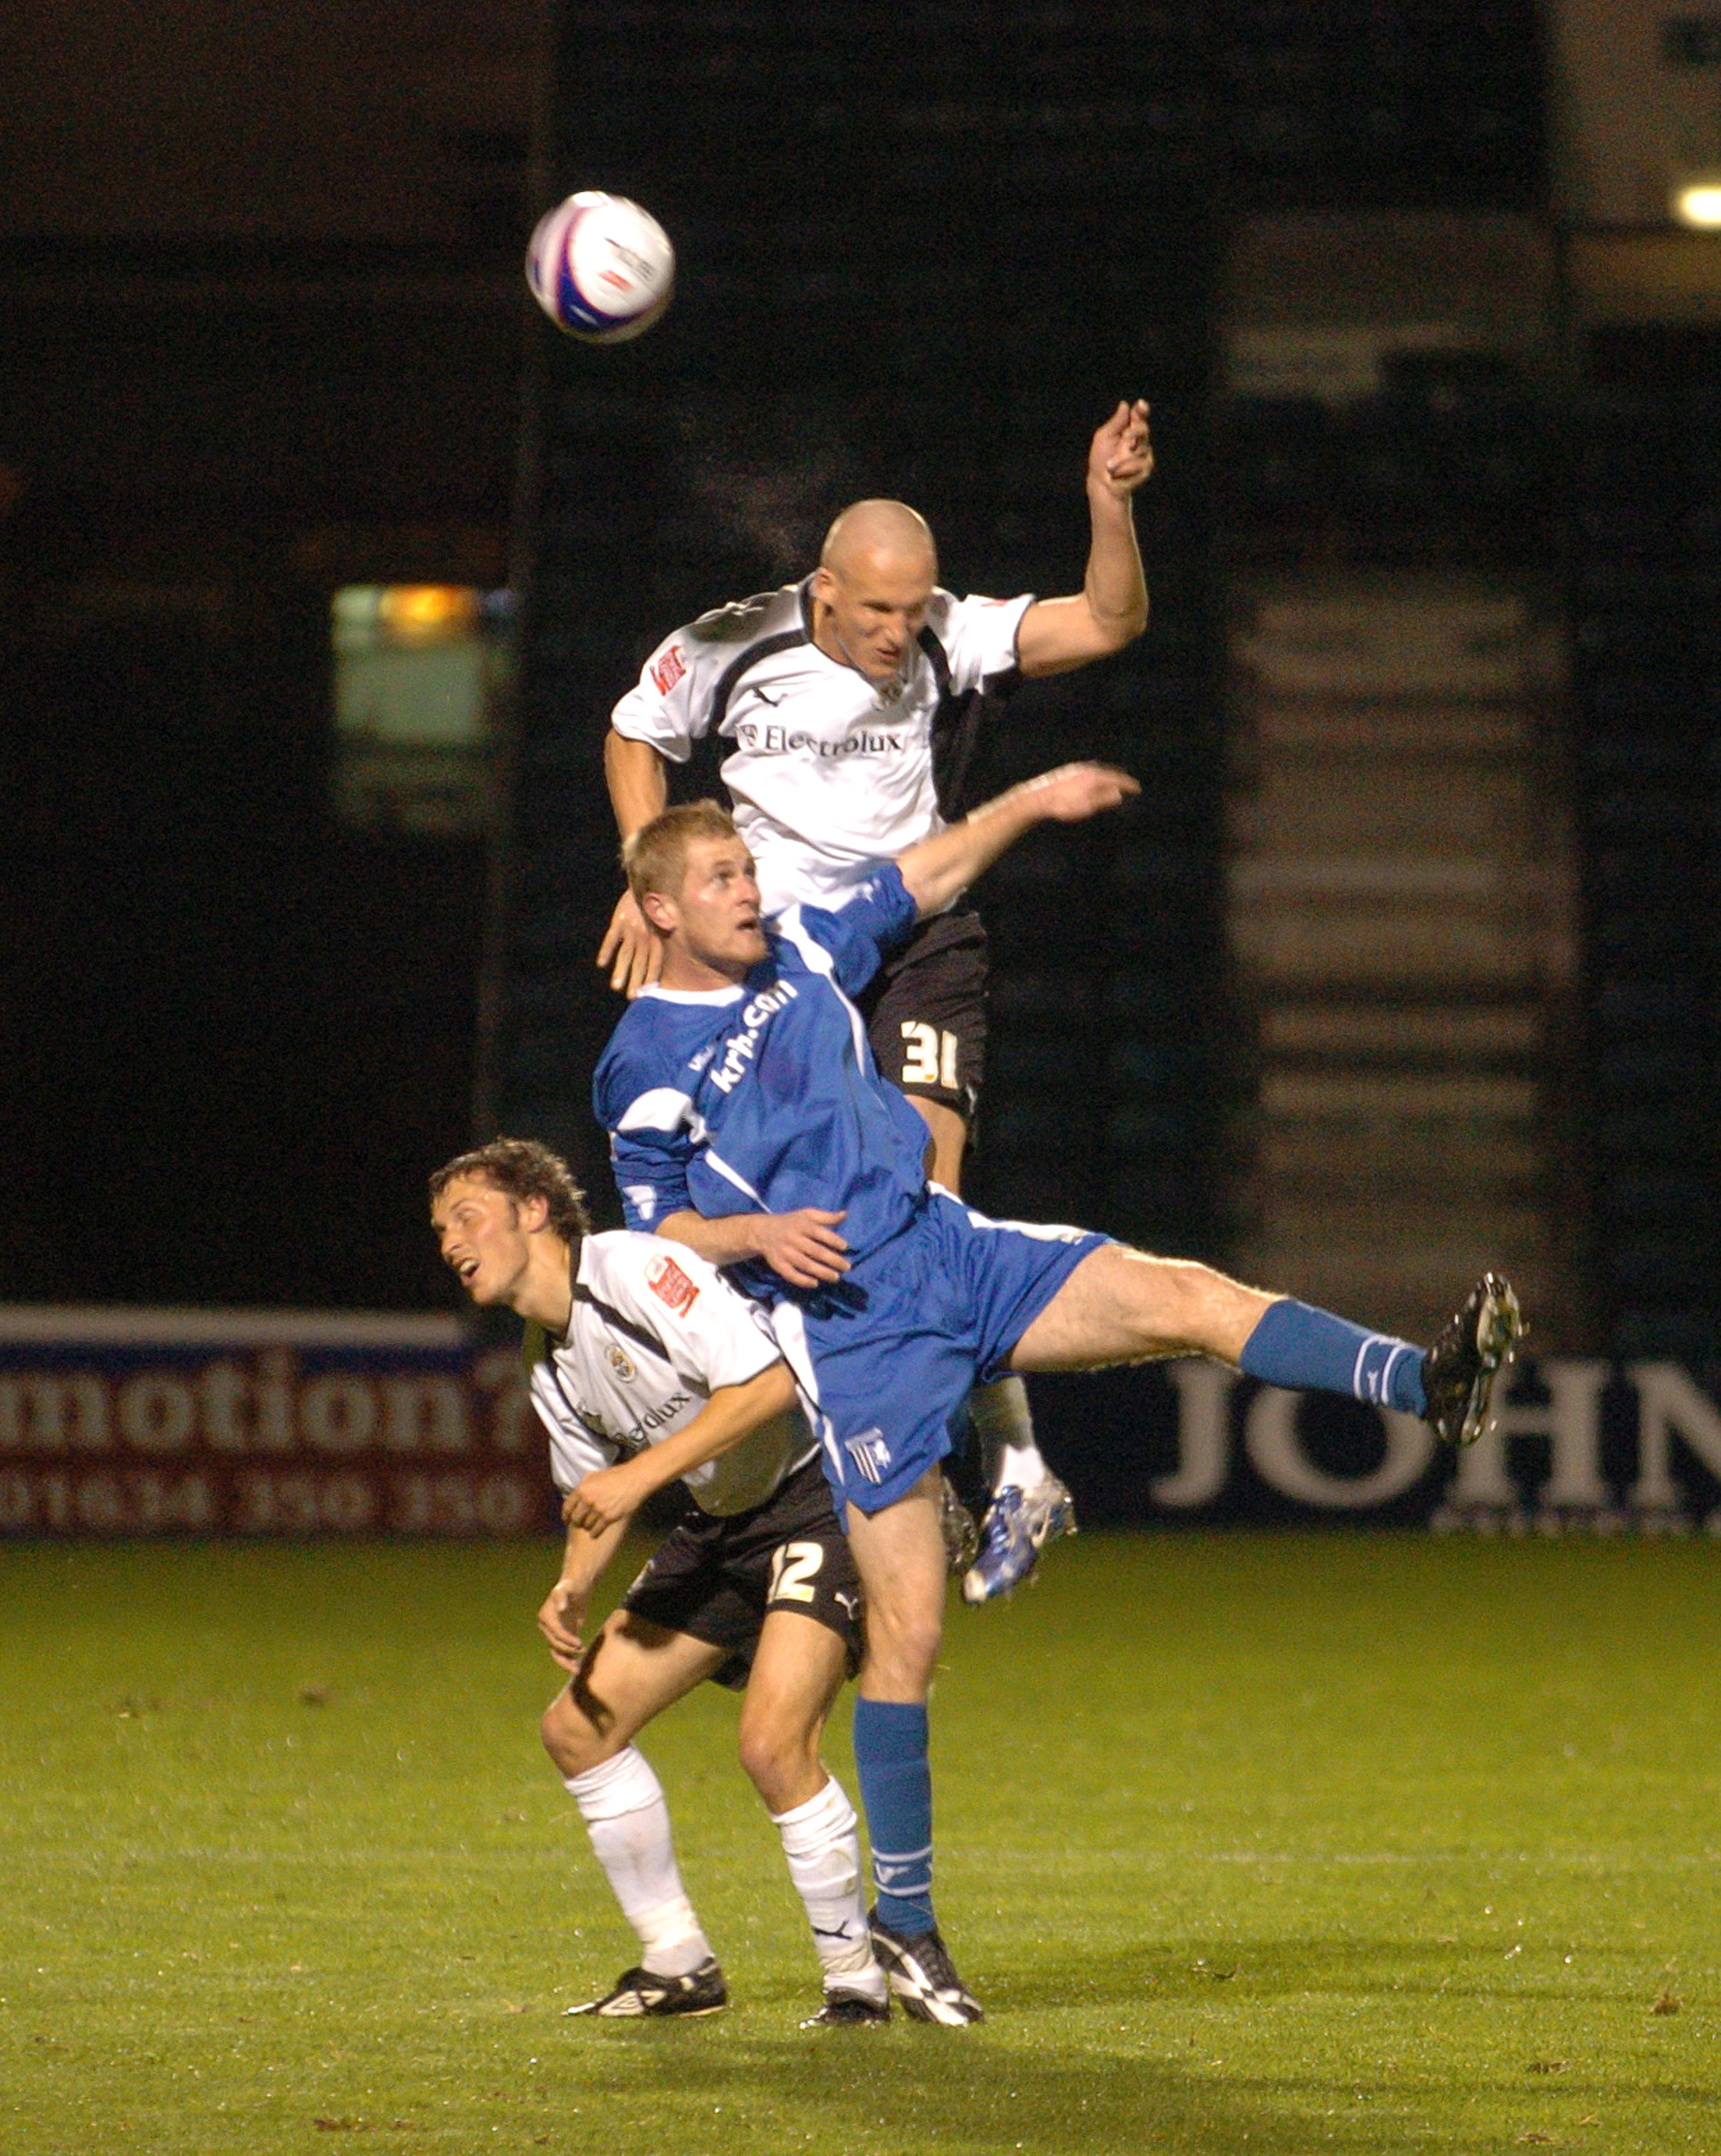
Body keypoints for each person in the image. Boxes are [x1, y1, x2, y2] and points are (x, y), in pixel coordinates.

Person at [592, 772, 1525, 2024]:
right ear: (656, 907)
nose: (751, 893)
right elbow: (654, 1241)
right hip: (856, 1336)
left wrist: (1033, 798)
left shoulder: (805, 940)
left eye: (749, 872)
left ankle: (1431, 1384)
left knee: (1186, 1295)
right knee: (910, 1637)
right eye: (721, 881)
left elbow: (929, 872)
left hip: (952, 1248)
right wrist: (754, 1228)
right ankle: (907, 1929)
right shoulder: (639, 1063)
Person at [597, 400, 1157, 1602]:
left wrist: (1107, 503)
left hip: (917, 936)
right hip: (784, 970)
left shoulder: (953, 634)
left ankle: (1011, 1466)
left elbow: (1108, 620)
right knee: (861, 1234)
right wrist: (649, 878)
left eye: (917, 608)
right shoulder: (732, 644)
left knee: (927, 1207)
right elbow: (632, 732)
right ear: (824, 590)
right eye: (879, 612)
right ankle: (928, 1468)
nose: (903, 634)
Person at [429, 1137, 894, 2027]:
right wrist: (573, 1586)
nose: (451, 1241)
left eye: (467, 1215)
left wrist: (642, 1479)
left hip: (821, 1500)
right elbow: (590, 1494)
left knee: (771, 1744)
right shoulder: (546, 1355)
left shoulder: (638, 1269)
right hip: (721, 1526)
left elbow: (767, 1387)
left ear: (534, 1210)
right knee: (577, 1729)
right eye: (441, 1229)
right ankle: (678, 1963)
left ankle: (856, 1984)